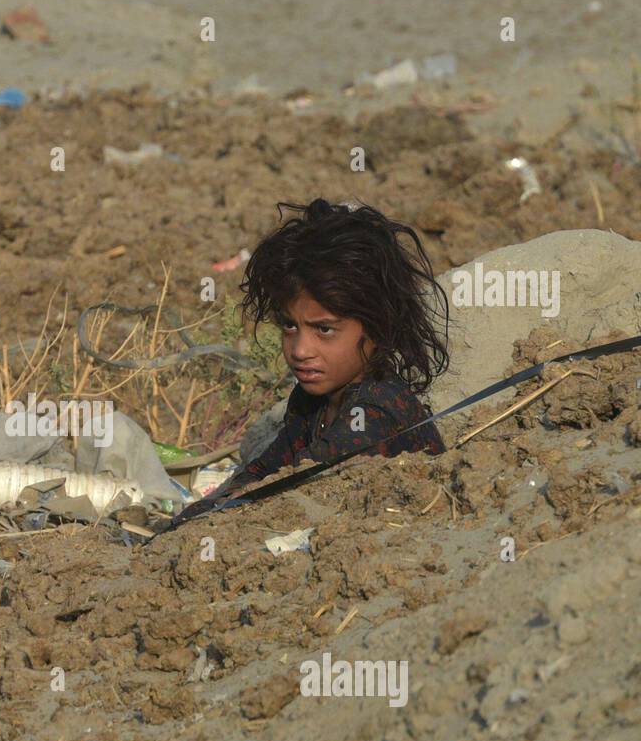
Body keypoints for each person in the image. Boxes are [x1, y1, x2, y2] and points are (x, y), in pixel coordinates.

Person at [177, 199, 450, 522]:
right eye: (289, 326)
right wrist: (183, 521)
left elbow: (291, 488)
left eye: (324, 329)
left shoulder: (377, 411)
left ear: (378, 327)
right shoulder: (312, 401)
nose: (301, 349)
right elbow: (264, 470)